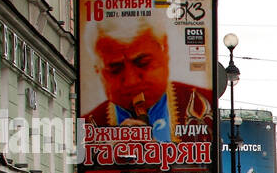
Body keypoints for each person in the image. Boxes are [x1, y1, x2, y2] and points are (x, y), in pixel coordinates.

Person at [81, 16, 214, 142]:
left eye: (143, 63)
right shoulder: (86, 124)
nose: (131, 81)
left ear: (165, 49)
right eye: (115, 69)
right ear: (97, 69)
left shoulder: (206, 104)